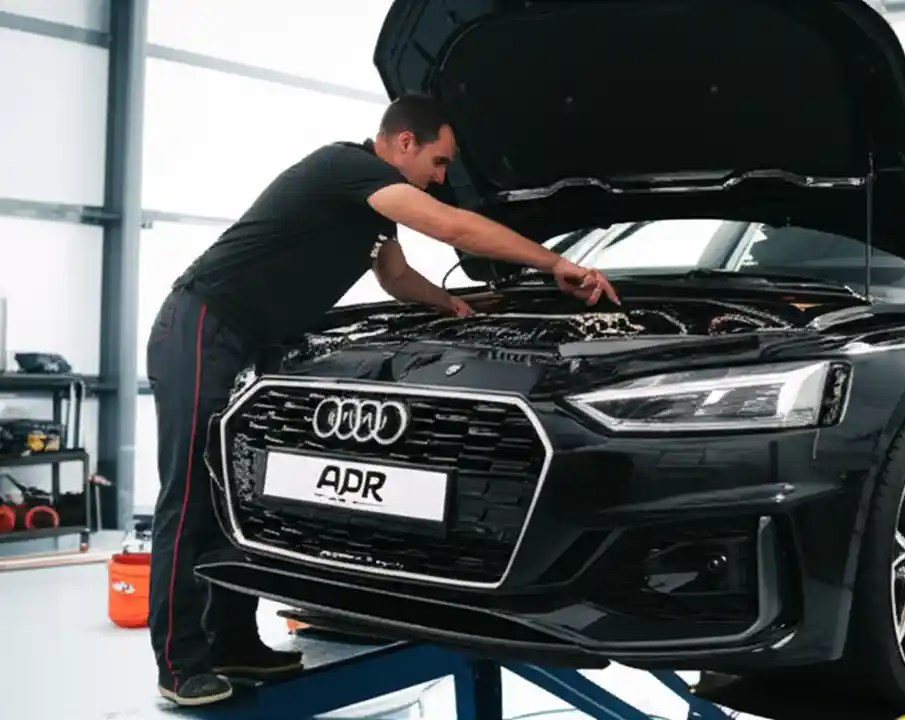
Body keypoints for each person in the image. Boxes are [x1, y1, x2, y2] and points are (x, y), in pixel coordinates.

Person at [145, 92, 620, 707]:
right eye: (440, 163)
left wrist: (452, 307)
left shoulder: (370, 207)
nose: (442, 178)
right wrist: (554, 261)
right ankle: (178, 665)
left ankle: (232, 641)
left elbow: (394, 275)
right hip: (205, 325)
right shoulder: (344, 167)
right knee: (189, 496)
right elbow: (449, 225)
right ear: (404, 143)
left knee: (233, 492)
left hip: (253, 339)